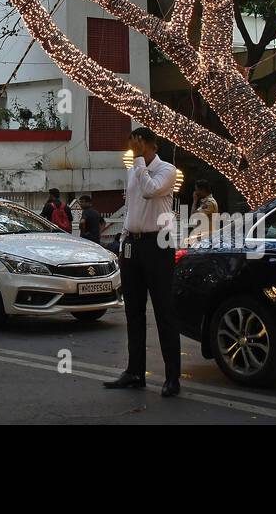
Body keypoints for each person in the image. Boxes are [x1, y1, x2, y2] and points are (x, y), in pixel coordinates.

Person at [104, 127, 181, 397]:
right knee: (133, 311)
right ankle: (134, 372)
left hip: (158, 245)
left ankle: (173, 377)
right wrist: (124, 235)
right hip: (132, 244)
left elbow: (149, 192)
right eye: (132, 145)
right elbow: (134, 206)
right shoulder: (133, 170)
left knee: (163, 311)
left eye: (139, 145)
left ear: (152, 146)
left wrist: (138, 161)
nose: (134, 150)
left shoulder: (167, 171)